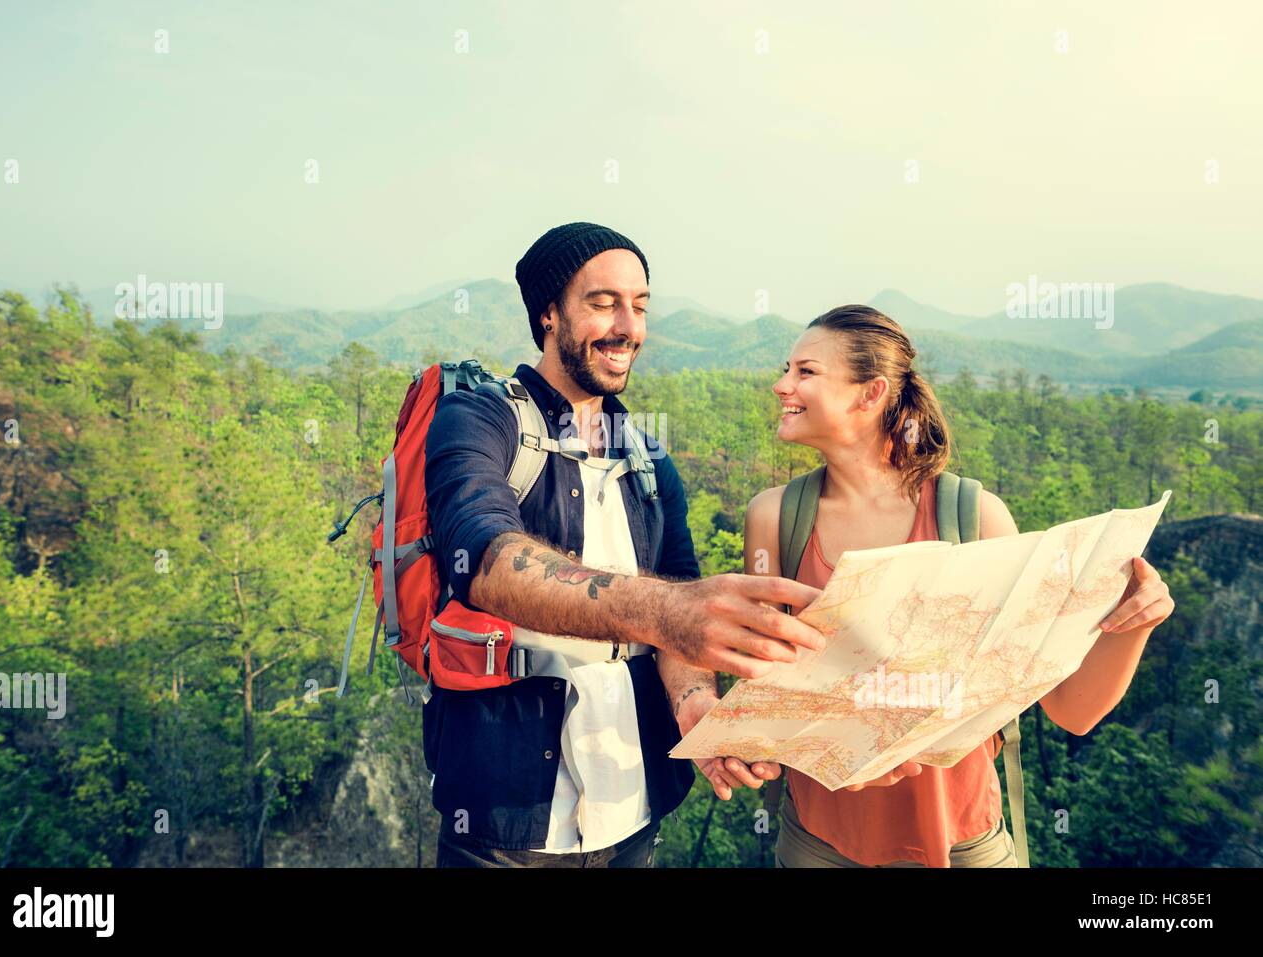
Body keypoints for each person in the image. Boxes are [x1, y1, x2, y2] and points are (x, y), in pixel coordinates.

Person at [694, 304, 1175, 867]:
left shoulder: (976, 518)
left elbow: (1072, 711)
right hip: (818, 843)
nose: (782, 386)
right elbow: (767, 686)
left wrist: (1133, 624)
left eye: (805, 372)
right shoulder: (775, 518)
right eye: (787, 369)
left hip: (964, 841)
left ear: (870, 394)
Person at [423, 222, 825, 867]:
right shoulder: (481, 418)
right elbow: (484, 557)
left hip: (632, 806)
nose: (628, 326)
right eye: (603, 302)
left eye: (639, 305)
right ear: (548, 313)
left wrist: (694, 700)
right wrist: (667, 611)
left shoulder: (645, 455)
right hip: (506, 820)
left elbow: (677, 592)